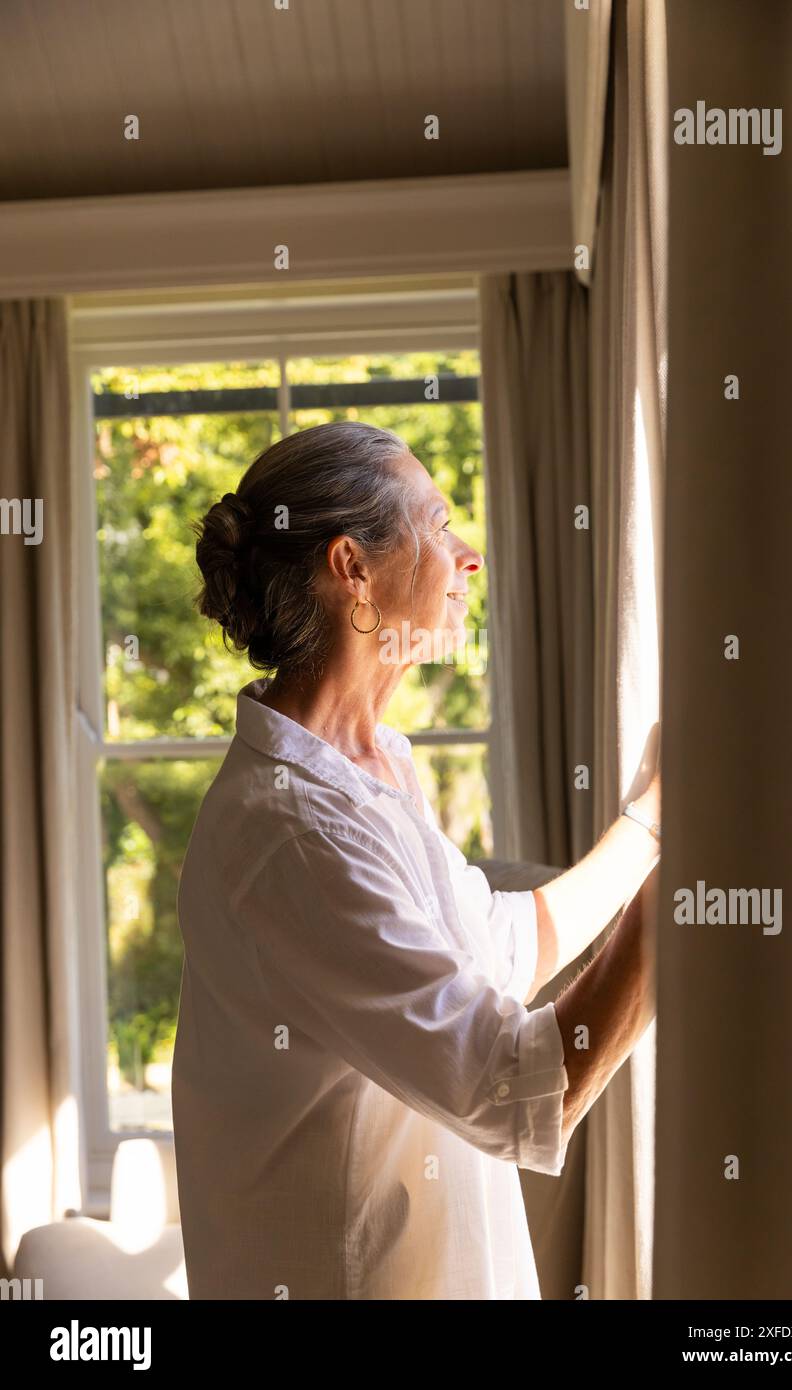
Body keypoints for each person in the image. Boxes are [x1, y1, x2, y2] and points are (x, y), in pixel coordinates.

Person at [172, 420, 661, 1300]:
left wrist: (654, 822)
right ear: (352, 569)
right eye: (438, 526)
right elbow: (518, 1092)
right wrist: (685, 899)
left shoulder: (372, 770)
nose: (468, 557)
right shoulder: (292, 832)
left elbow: (507, 947)